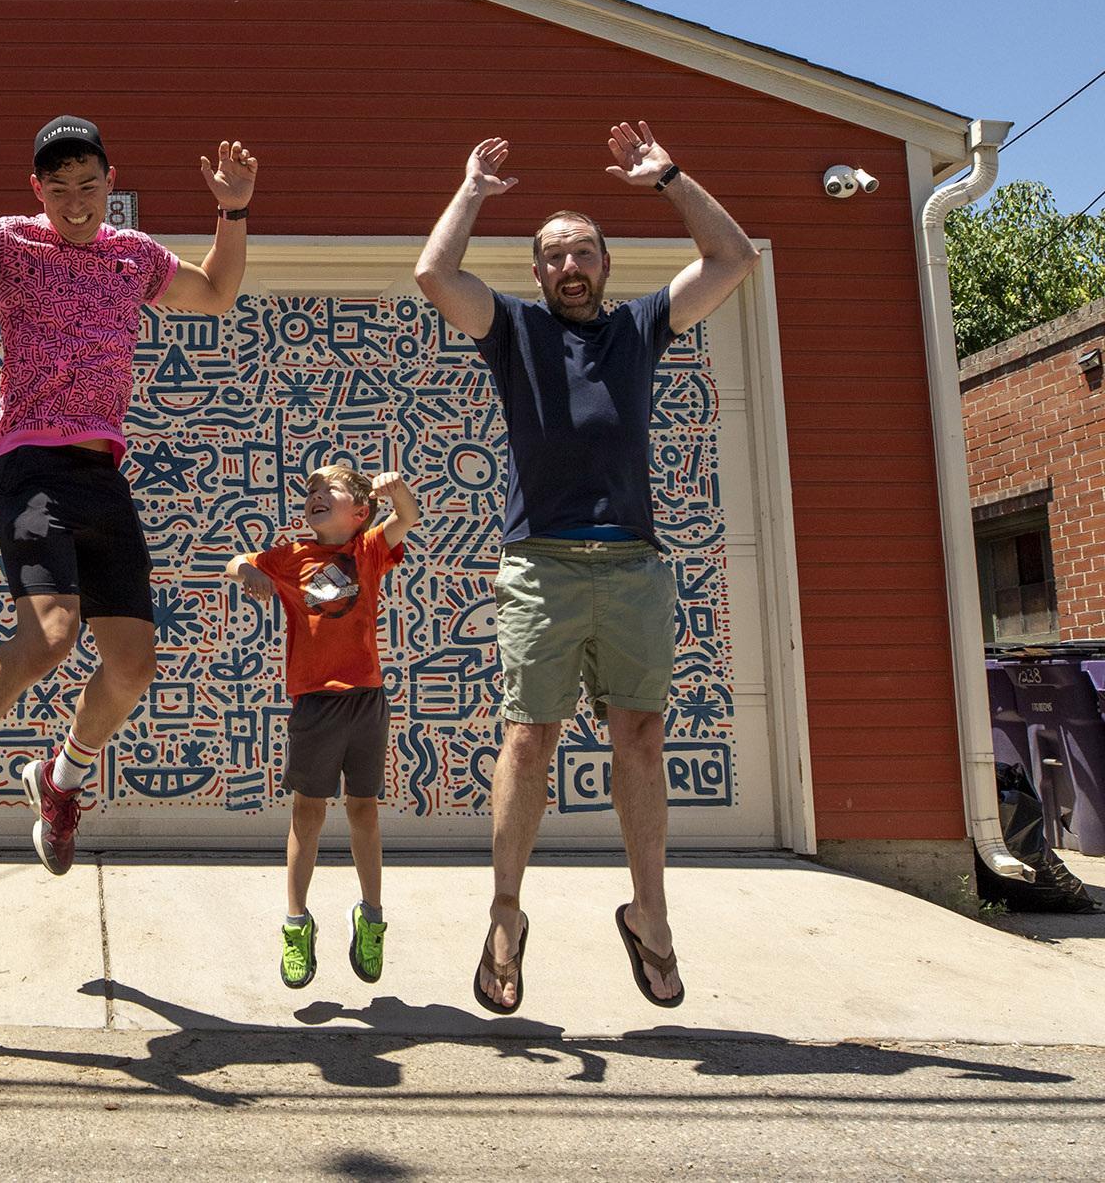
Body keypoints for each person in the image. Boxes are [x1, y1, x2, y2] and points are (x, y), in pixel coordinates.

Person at [411, 123, 760, 1014]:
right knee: (530, 735)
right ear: (537, 274)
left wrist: (670, 177)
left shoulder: (642, 328)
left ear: (606, 264)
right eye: (555, 254)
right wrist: (473, 189)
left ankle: (650, 912)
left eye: (584, 251)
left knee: (641, 740)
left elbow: (732, 257)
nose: (570, 265)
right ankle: (504, 915)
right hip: (541, 566)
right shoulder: (516, 330)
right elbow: (433, 276)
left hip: (634, 564)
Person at [0, 106, 260, 902]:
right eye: (59, 187)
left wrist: (234, 210)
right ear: (38, 191)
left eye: (88, 184)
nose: (75, 200)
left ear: (110, 184)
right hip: (32, 465)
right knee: (48, 636)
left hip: (104, 473)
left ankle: (61, 775)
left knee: (132, 664)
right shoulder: (10, 245)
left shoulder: (133, 257)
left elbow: (218, 292)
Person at [225, 464, 418, 989]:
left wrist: (395, 490)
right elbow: (235, 561)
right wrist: (250, 573)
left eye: (326, 490)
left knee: (363, 810)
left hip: (367, 701)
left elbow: (408, 517)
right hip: (314, 705)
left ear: (358, 513)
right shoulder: (291, 556)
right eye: (310, 490)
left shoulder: (370, 550)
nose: (313, 496)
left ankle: (371, 917)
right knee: (307, 813)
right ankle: (296, 924)